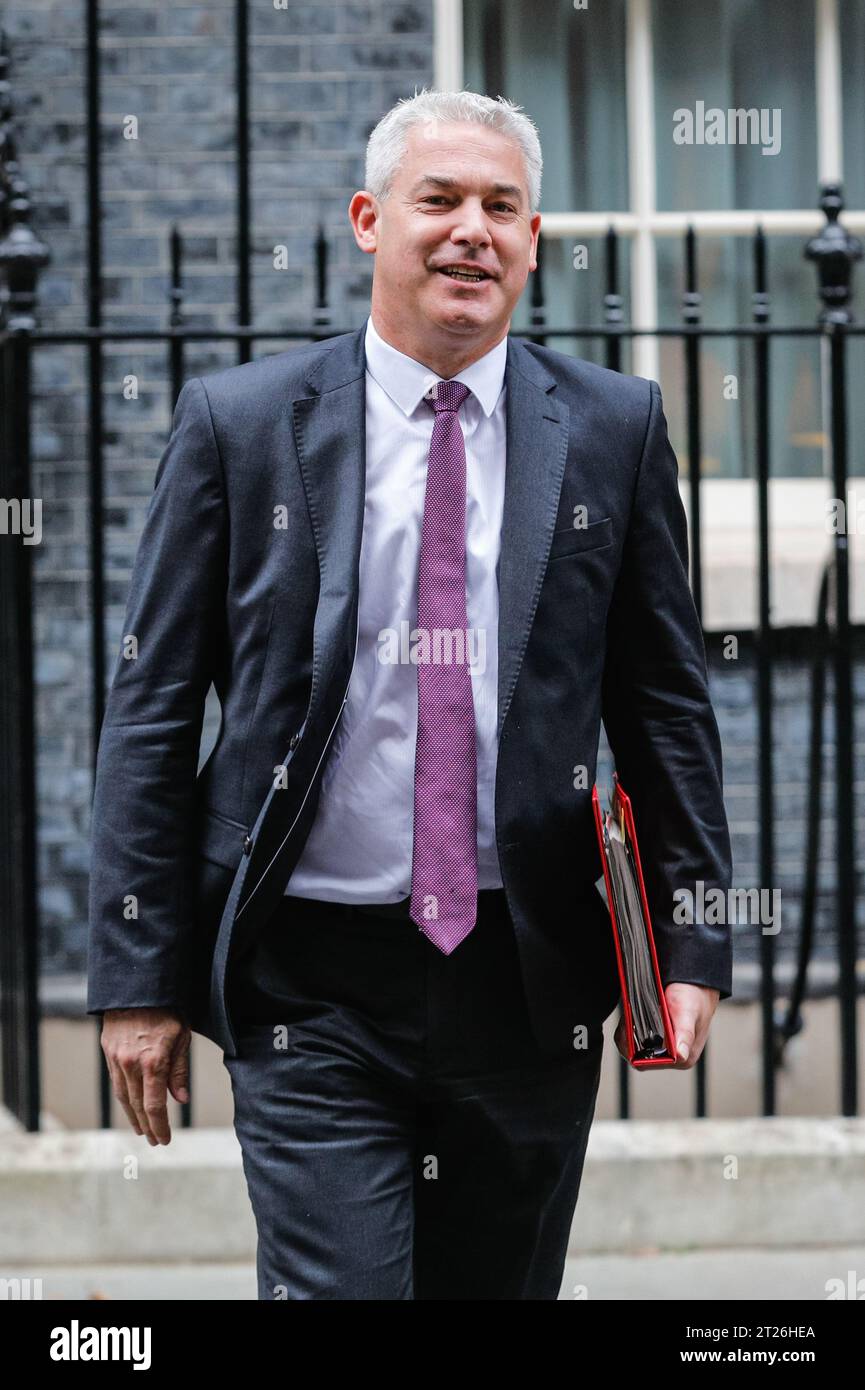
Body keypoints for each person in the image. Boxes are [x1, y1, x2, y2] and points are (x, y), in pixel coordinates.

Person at [87, 89, 733, 1300]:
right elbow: (153, 704)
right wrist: (137, 975)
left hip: (528, 971)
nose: (470, 231)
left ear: (534, 241)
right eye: (439, 201)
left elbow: (666, 703)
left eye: (501, 207)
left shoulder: (611, 428)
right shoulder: (240, 426)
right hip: (309, 977)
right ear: (369, 221)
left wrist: (689, 938)